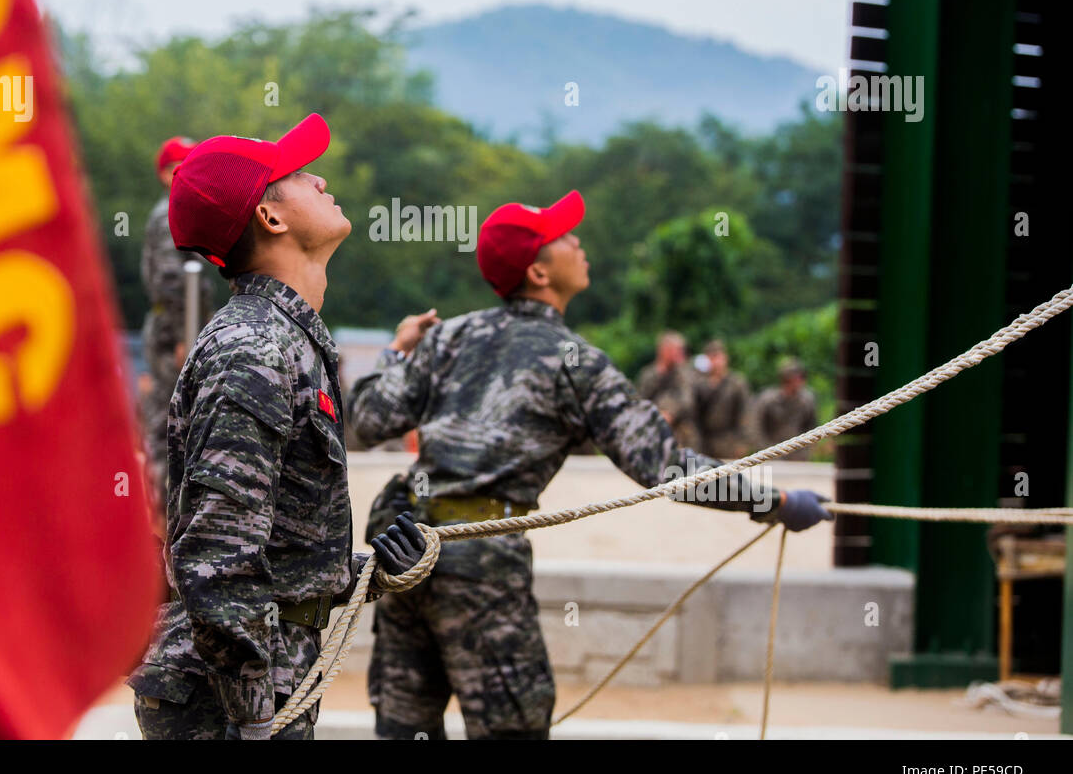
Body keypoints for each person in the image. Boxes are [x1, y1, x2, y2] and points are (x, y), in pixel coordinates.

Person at [349, 191, 830, 740]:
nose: (578, 243)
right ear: (539, 271)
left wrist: (396, 351)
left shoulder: (449, 337)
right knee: (514, 729)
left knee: (404, 730)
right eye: (564, 237)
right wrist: (777, 502)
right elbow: (667, 466)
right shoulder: (576, 362)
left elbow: (367, 418)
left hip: (405, 546)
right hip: (480, 560)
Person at [126, 113, 426, 740]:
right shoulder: (254, 349)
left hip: (255, 677)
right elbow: (217, 554)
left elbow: (269, 548)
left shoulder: (285, 339)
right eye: (297, 174)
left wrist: (362, 571)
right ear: (271, 217)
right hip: (226, 698)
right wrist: (255, 716)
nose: (319, 179)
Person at [139, 136, 214, 523]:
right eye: (179, 167)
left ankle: (168, 514)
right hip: (175, 332)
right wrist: (185, 335)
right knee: (169, 421)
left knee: (175, 419)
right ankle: (159, 519)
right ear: (165, 173)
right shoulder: (170, 211)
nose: (186, 173)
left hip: (182, 328)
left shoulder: (181, 208)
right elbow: (173, 282)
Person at [636, 330, 700, 449]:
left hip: (681, 434)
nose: (680, 353)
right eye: (676, 350)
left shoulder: (684, 374)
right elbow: (640, 401)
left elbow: (687, 401)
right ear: (664, 350)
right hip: (653, 430)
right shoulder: (648, 374)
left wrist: (670, 412)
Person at [694, 339, 753, 462]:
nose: (715, 362)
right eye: (711, 357)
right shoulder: (698, 383)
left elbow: (745, 414)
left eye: (717, 357)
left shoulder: (736, 383)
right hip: (704, 443)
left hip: (729, 443)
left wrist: (742, 444)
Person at [751, 357, 818, 461]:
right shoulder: (768, 400)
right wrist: (765, 450)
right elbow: (756, 427)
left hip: (798, 455)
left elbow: (812, 427)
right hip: (771, 453)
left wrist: (805, 451)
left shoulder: (807, 401)